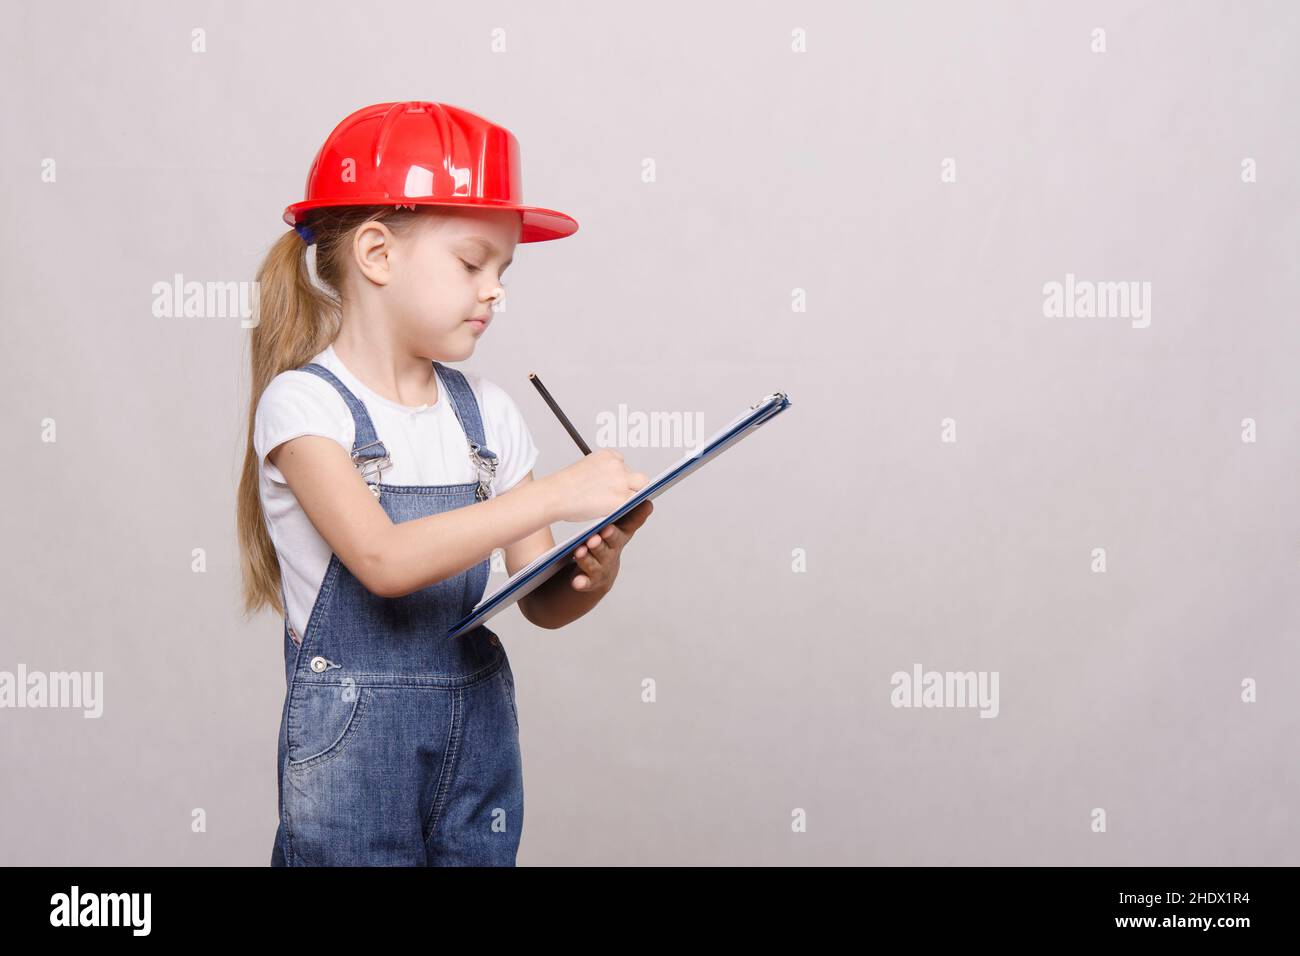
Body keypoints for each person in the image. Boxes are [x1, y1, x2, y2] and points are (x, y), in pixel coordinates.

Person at [234, 101, 654, 866]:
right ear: (376, 253)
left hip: (476, 740)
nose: (496, 291)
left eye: (503, 271)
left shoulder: (488, 415)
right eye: (471, 264)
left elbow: (541, 601)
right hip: (354, 752)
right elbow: (384, 561)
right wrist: (556, 494)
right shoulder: (305, 407)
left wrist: (594, 568)